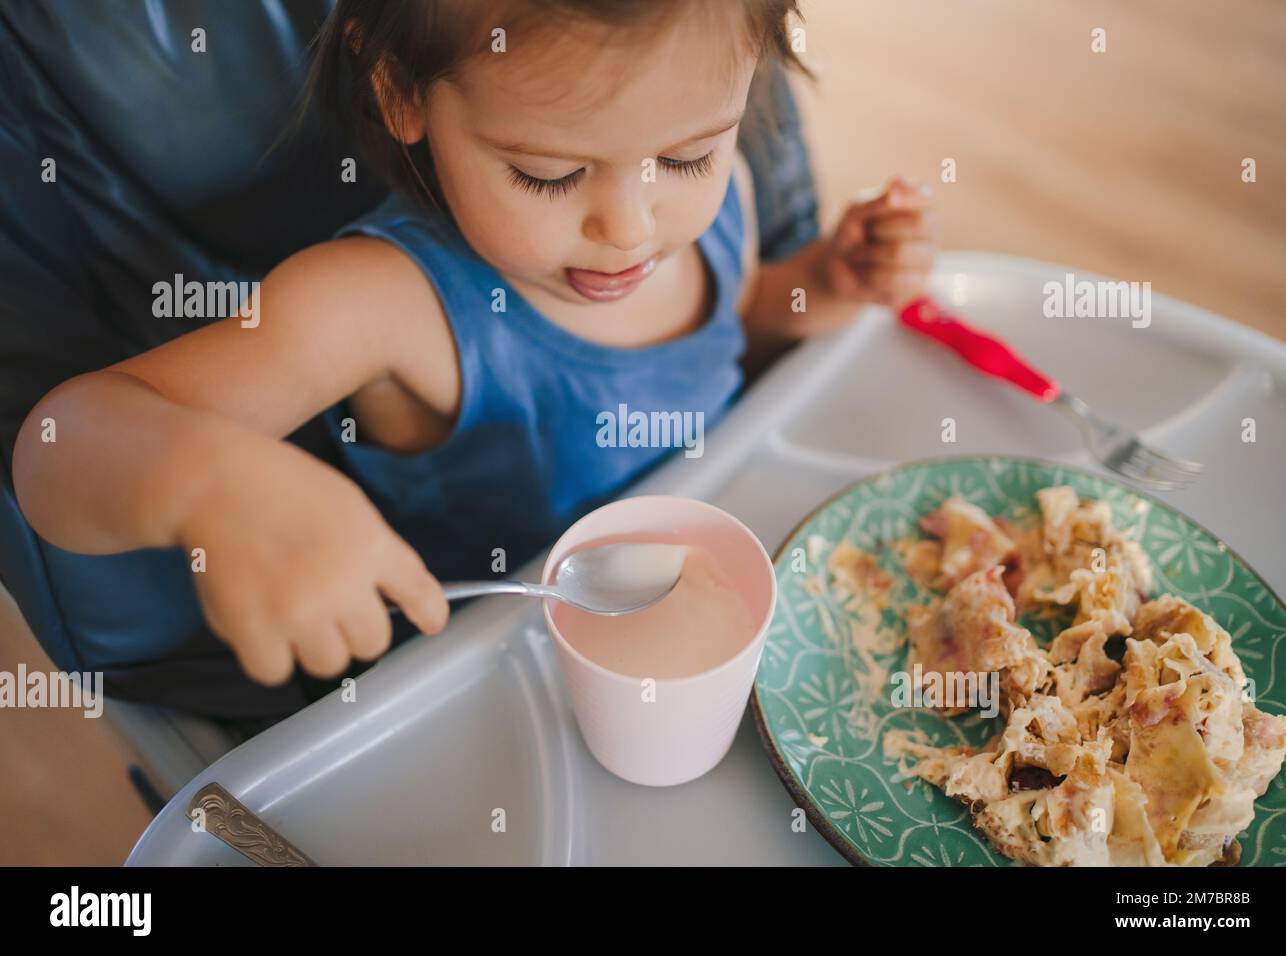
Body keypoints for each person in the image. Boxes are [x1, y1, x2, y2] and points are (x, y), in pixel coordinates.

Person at [13, 0, 936, 695]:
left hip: (744, 625)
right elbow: (59, 445)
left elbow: (737, 324)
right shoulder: (379, 303)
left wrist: (821, 284)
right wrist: (204, 484)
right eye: (550, 174)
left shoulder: (715, 203)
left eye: (686, 157)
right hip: (507, 694)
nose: (629, 226)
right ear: (401, 95)